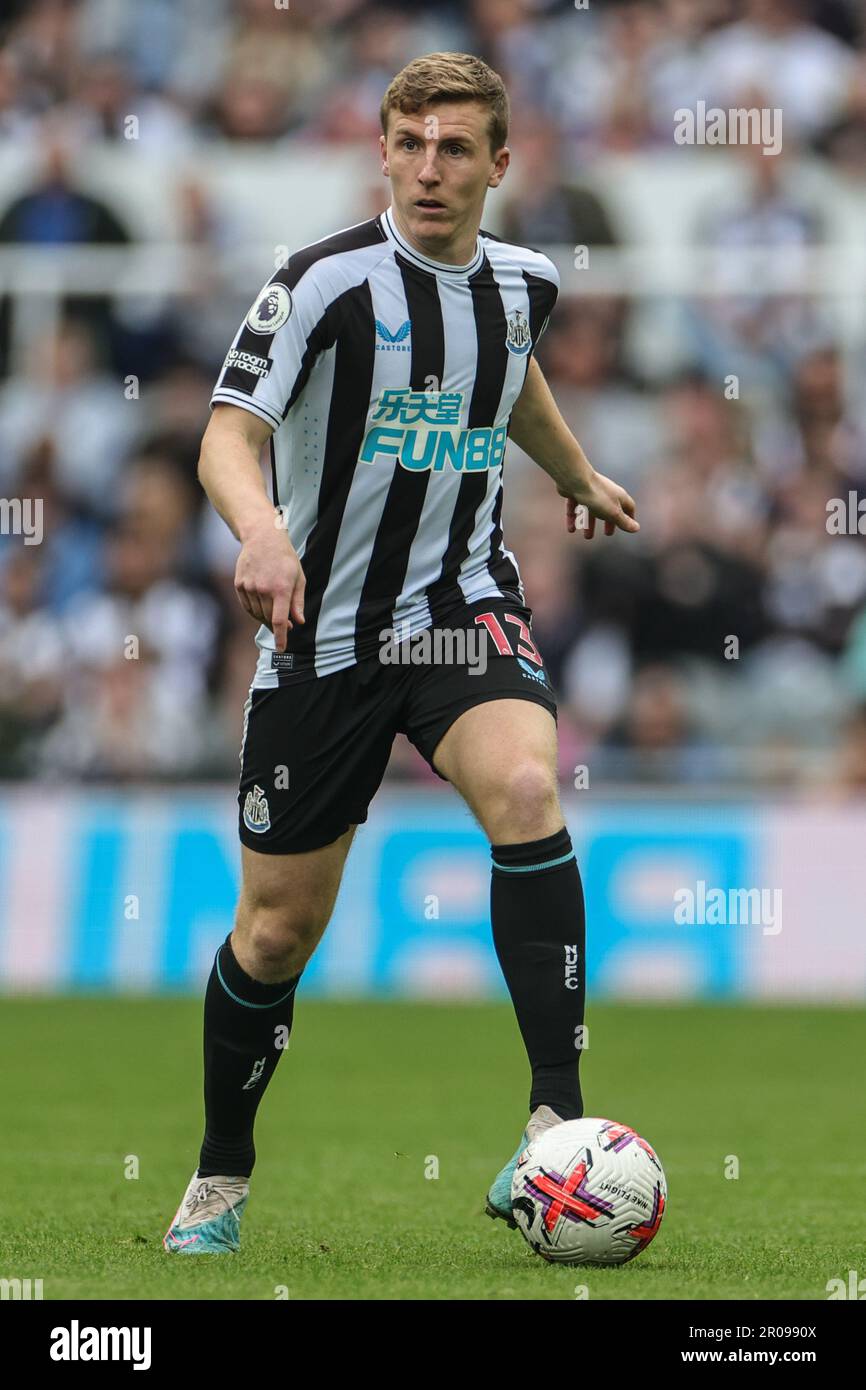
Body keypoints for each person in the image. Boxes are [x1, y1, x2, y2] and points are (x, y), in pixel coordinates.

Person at [163, 51, 638, 1254]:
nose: (430, 168)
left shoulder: (522, 283)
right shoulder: (318, 282)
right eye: (411, 144)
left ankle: (552, 1128)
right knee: (275, 931)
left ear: (498, 164)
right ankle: (220, 1175)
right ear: (382, 150)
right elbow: (228, 434)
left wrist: (572, 470)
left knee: (529, 787)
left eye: (455, 148)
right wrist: (263, 532)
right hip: (318, 631)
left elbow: (507, 377)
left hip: (459, 606)